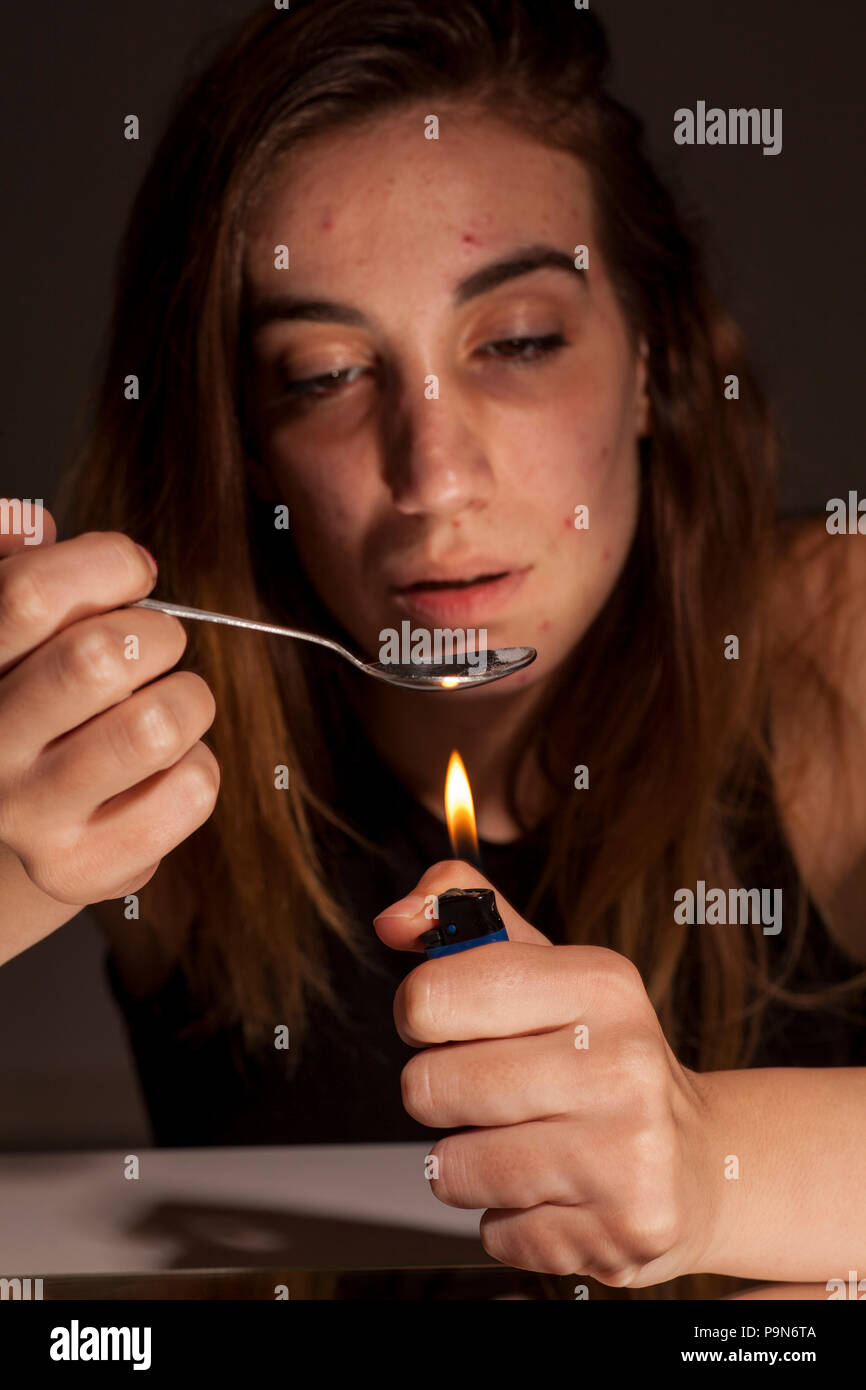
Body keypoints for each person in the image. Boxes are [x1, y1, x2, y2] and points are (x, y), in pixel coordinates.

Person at [1, 0, 864, 1301]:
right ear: (244, 442)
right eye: (324, 374)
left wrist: (713, 1162)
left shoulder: (834, 645)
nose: (433, 477)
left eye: (515, 343)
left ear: (654, 360)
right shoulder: (154, 735)